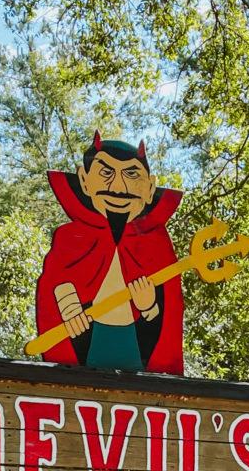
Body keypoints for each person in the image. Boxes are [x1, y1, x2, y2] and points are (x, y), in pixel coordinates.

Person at [34, 132, 184, 373]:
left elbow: (169, 315)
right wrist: (65, 300)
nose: (118, 187)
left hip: (135, 347)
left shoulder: (157, 244)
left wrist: (149, 308)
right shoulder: (69, 238)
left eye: (131, 174)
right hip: (87, 343)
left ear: (149, 188)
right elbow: (52, 287)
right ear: (84, 181)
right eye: (106, 173)